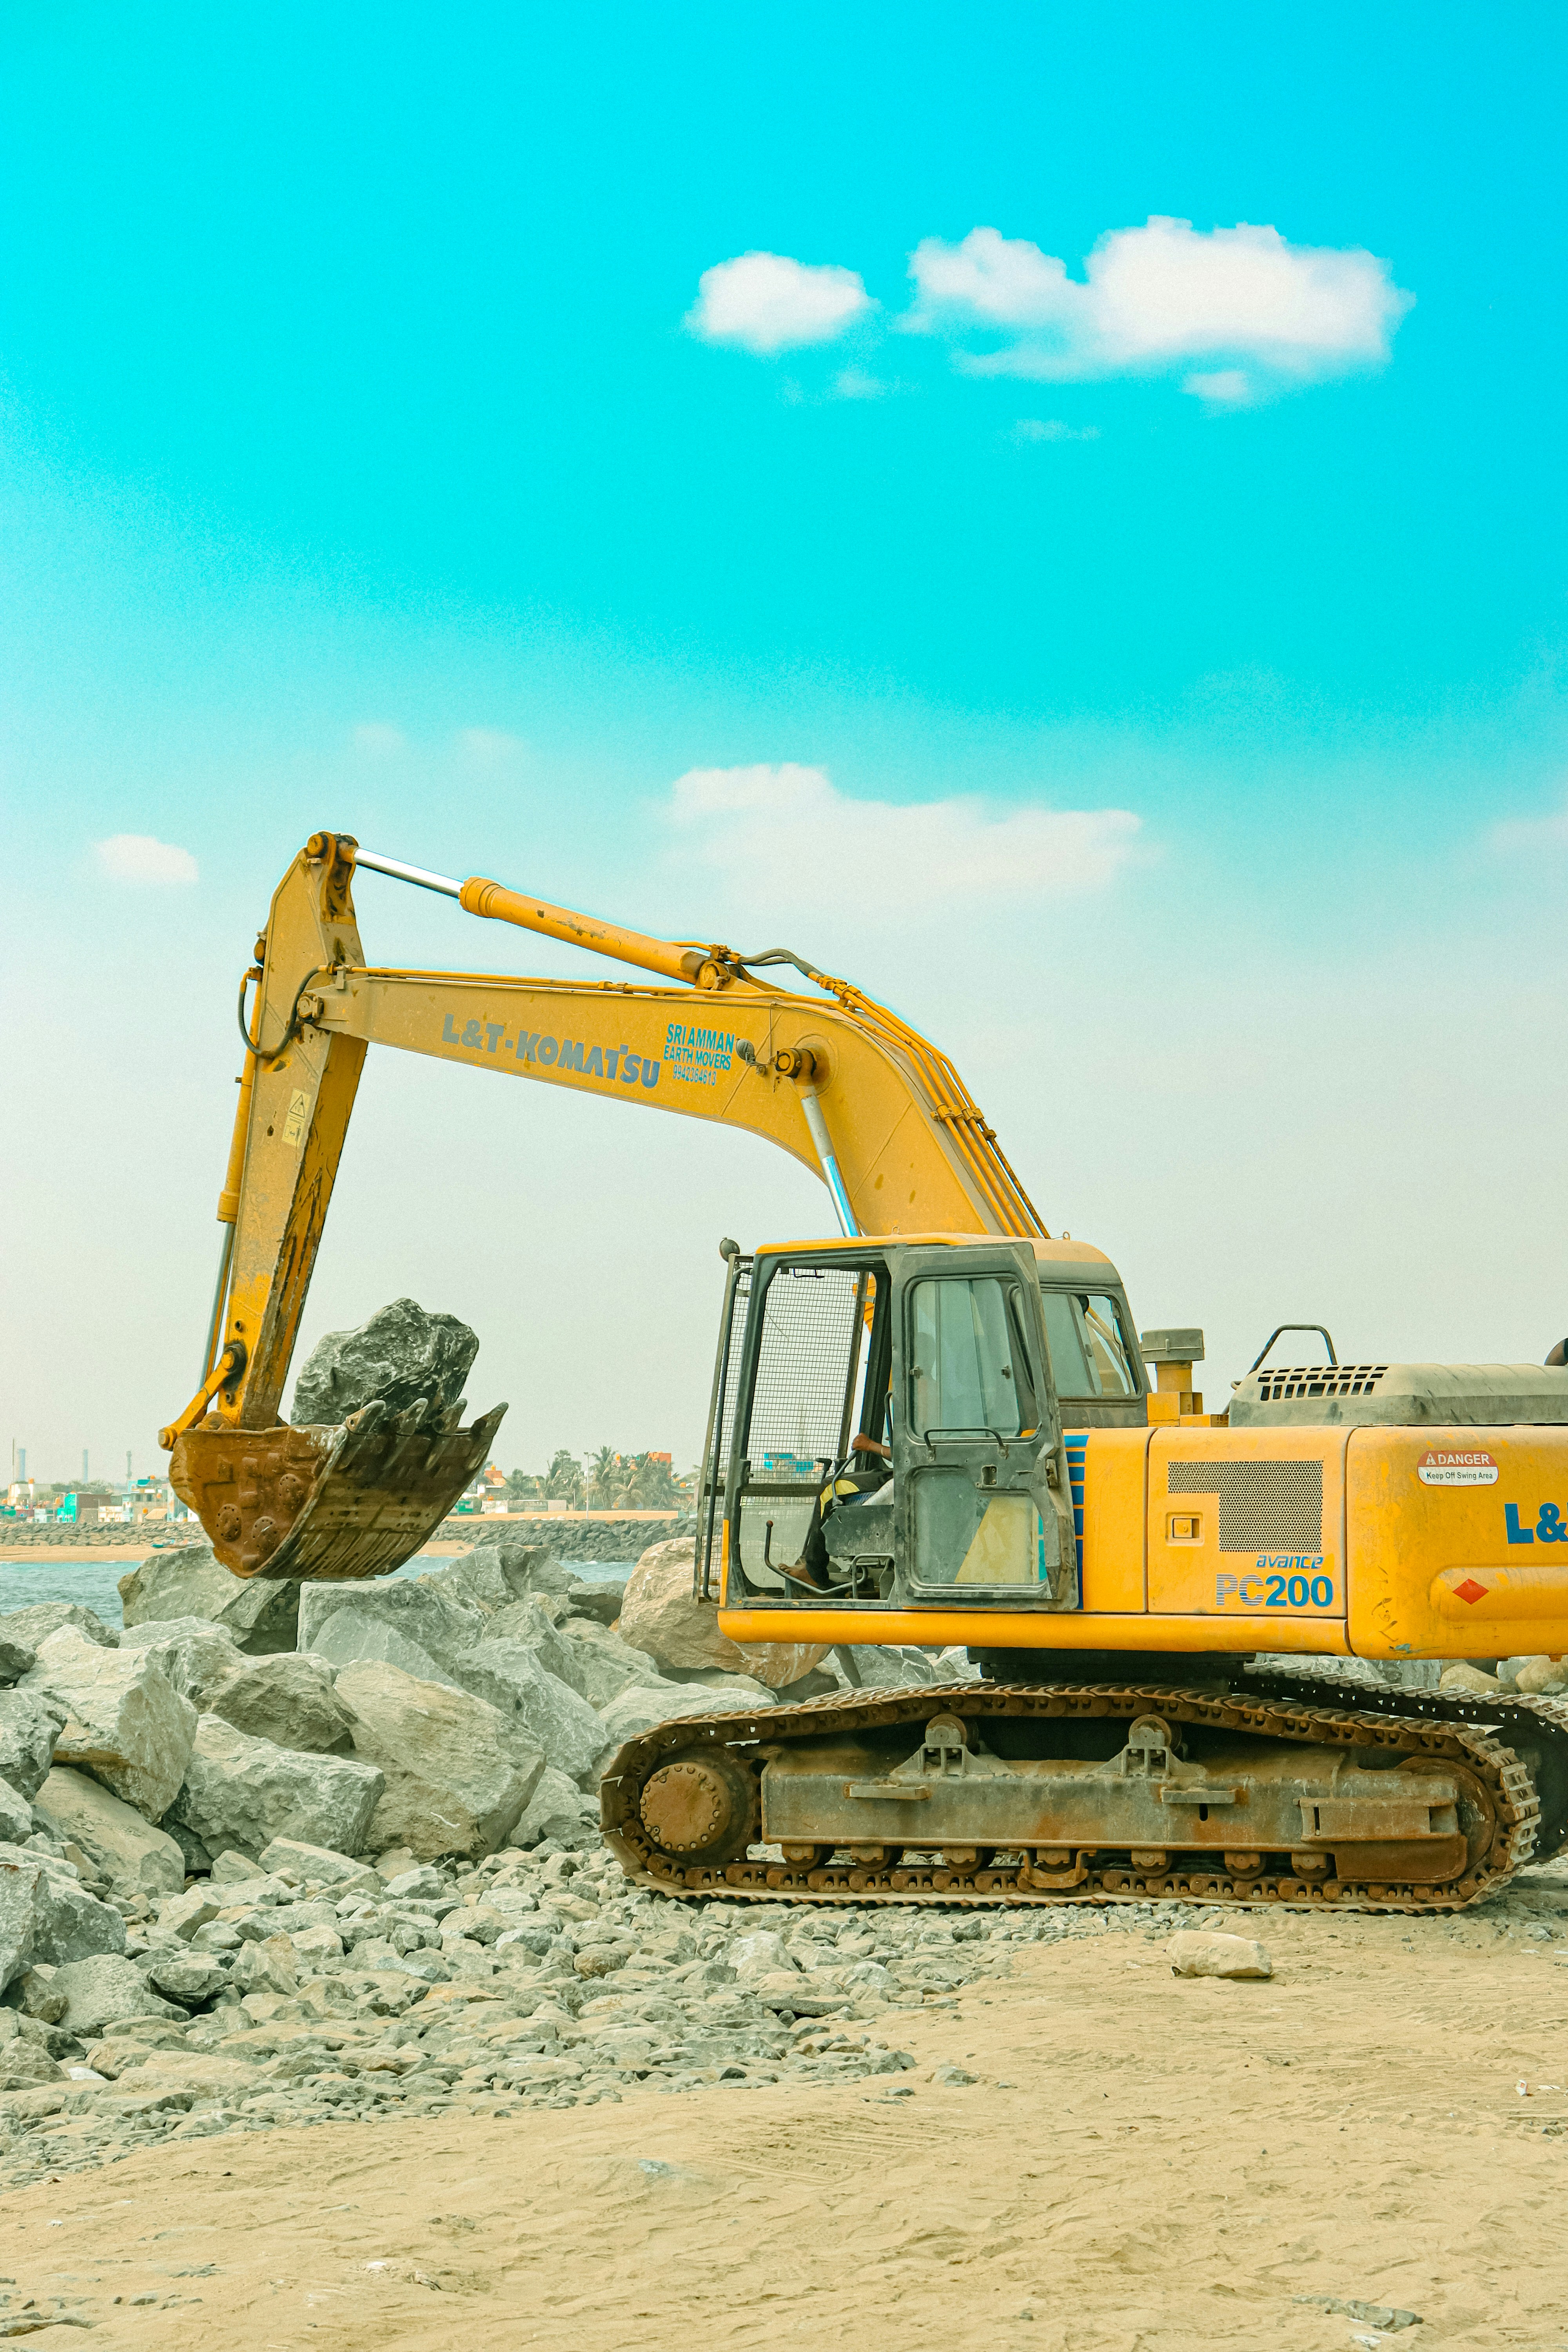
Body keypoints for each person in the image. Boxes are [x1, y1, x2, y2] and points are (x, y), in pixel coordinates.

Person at [796, 1433, 892, 1592]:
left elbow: (911, 1455)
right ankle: (811, 1562)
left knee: (829, 1488)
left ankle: (814, 1571)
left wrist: (872, 1446)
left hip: (900, 1478)